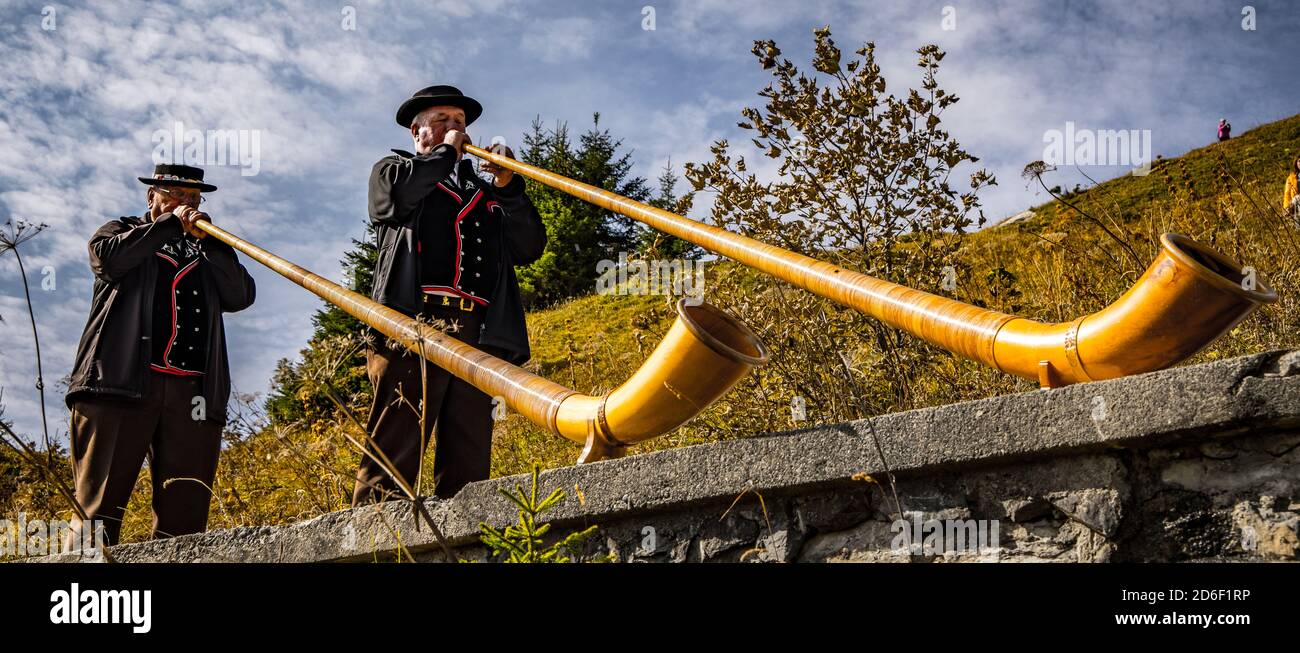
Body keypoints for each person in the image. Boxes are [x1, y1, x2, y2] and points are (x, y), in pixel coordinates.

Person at [352, 85, 546, 505]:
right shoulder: (393, 170)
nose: (454, 128)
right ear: (416, 132)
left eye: (459, 122)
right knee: (399, 434)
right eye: (442, 121)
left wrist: (510, 187)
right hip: (414, 321)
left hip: (480, 331)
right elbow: (395, 203)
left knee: (470, 444)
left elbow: (530, 247)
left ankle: (464, 536)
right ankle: (375, 533)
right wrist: (444, 155)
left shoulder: (487, 193)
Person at [64, 163, 256, 545]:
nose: (187, 203)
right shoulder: (120, 232)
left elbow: (240, 295)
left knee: (184, 521)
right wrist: (169, 224)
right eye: (176, 195)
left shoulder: (207, 248)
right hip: (118, 386)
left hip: (193, 397)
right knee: (97, 511)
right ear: (151, 196)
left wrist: (214, 244)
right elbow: (108, 261)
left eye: (194, 198)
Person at [1284, 155, 1299, 224]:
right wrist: (1286, 207)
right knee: (1297, 198)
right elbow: (1287, 194)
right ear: (1296, 163)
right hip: (1295, 202)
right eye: (1299, 161)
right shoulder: (1291, 178)